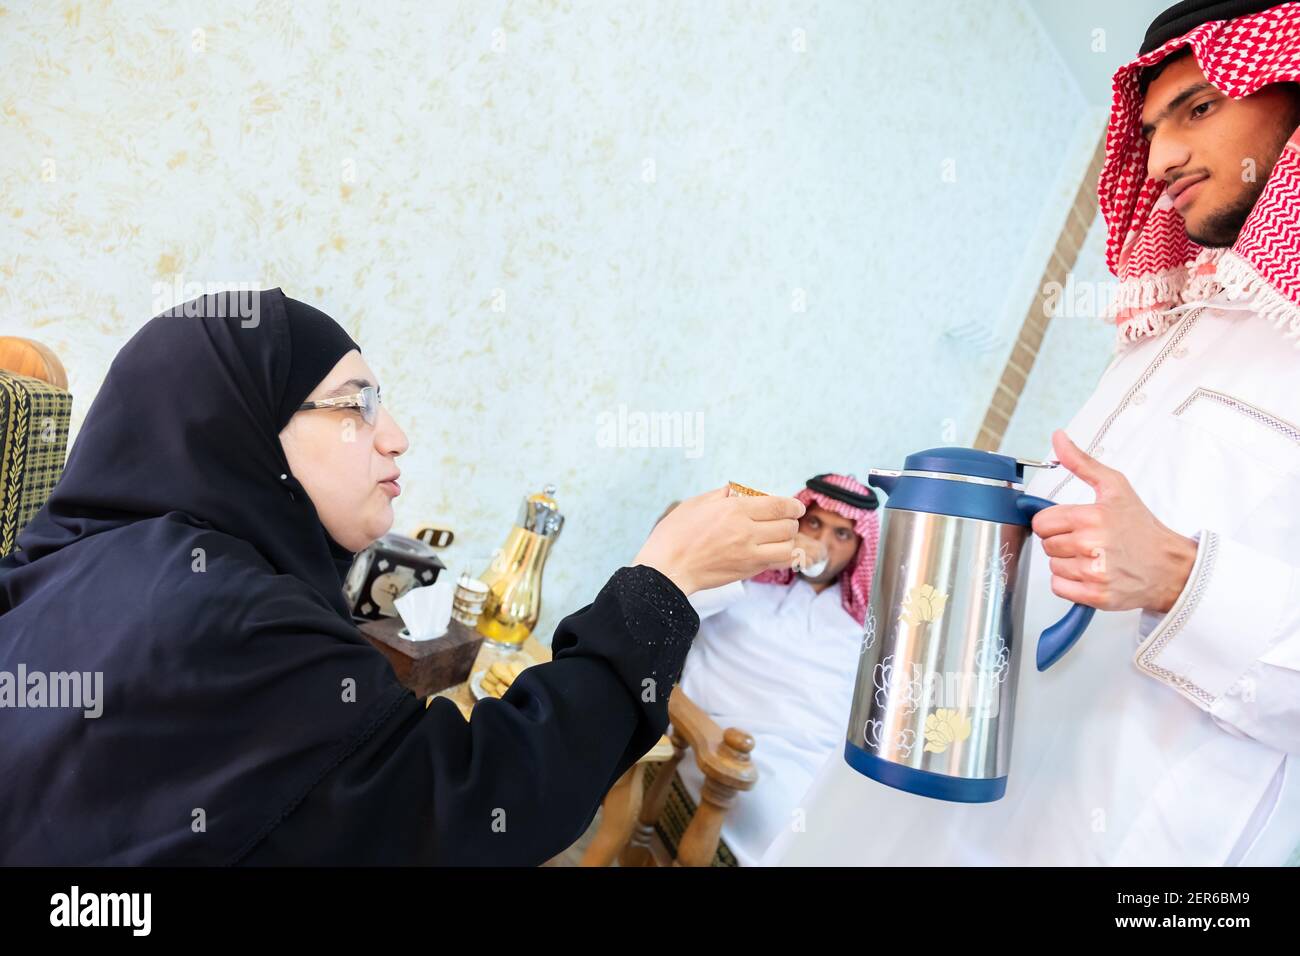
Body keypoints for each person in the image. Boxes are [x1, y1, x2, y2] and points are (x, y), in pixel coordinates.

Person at [0, 288, 805, 865]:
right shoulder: (224, 617)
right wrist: (662, 583)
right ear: (239, 428)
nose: (397, 436)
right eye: (356, 407)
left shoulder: (74, 560)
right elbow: (481, 801)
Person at [766, 0, 1300, 866]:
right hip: (969, 779)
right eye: (1152, 127)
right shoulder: (1169, 326)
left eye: (1199, 107)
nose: (1161, 159)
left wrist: (1178, 578)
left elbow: (1156, 552)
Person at [675, 474, 880, 865]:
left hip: (821, 773)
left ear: (859, 548)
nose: (823, 543)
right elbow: (673, 609)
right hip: (725, 753)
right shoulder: (743, 578)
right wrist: (768, 554)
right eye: (814, 523)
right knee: (788, 826)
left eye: (842, 535)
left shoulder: (861, 626)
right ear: (796, 520)